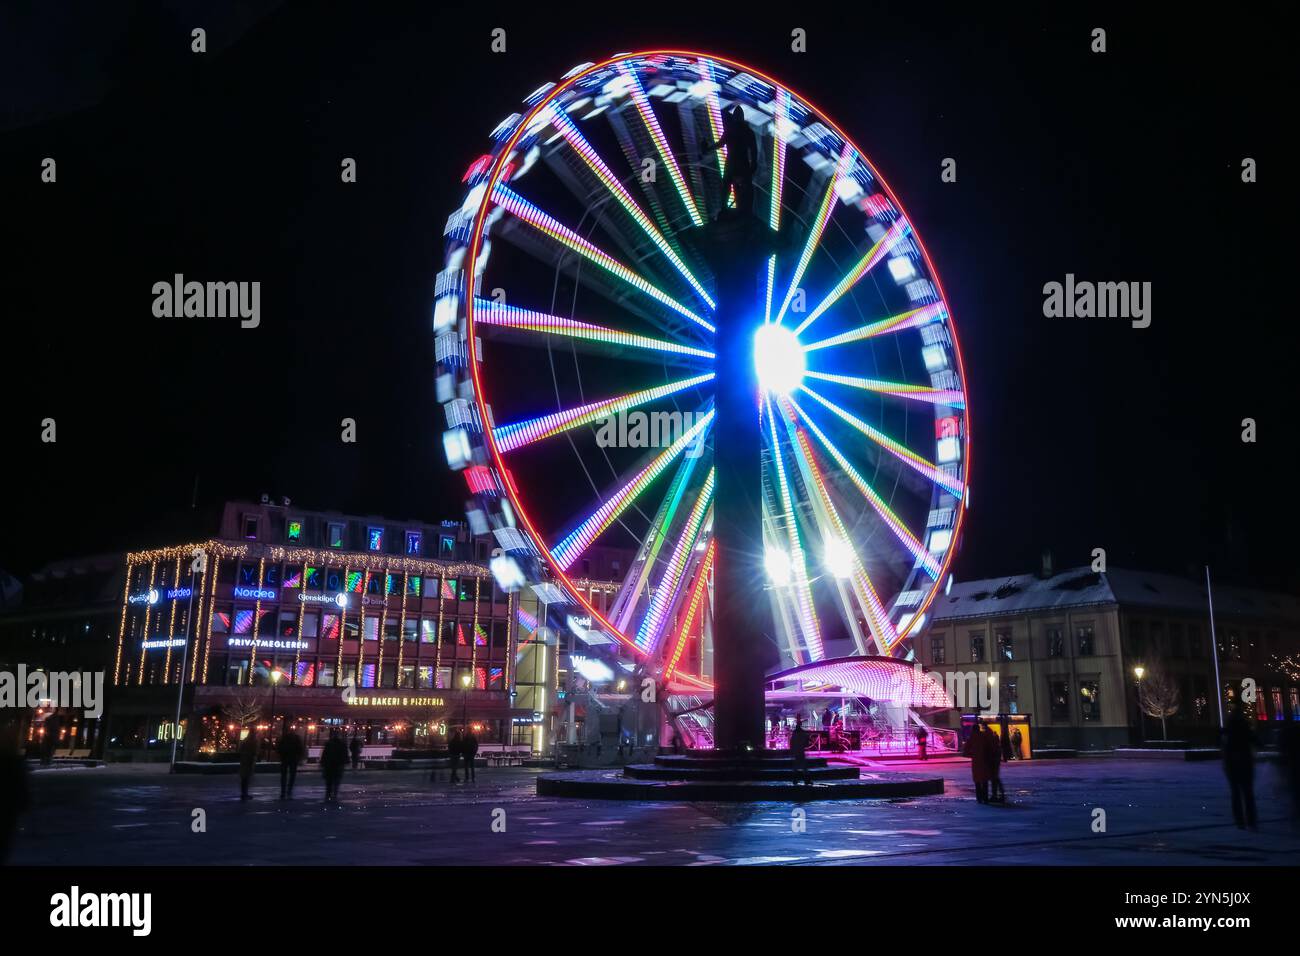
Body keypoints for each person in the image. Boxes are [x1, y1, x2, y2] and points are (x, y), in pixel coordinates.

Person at [702, 104, 758, 217]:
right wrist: (753, 164)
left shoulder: (730, 130)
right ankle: (745, 210)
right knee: (746, 188)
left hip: (731, 163)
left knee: (726, 186)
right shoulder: (748, 131)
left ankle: (724, 208)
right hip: (743, 164)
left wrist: (707, 149)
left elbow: (720, 144)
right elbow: (754, 150)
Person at [1222, 703, 1257, 829]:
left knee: (1236, 793)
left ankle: (1240, 821)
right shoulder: (1244, 725)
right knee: (1247, 793)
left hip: (1233, 765)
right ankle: (1251, 820)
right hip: (1244, 763)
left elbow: (1224, 746)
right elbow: (1254, 740)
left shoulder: (1228, 728)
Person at [963, 722, 992, 803]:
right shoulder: (984, 736)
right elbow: (989, 748)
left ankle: (979, 798)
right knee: (984, 780)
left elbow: (965, 752)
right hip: (985, 761)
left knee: (977, 781)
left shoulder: (971, 738)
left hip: (976, 762)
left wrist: (973, 755)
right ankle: (985, 798)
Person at [276, 727, 305, 799]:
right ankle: (289, 790)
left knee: (284, 776)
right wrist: (299, 757)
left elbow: (279, 747)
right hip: (293, 759)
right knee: (292, 775)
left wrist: (281, 755)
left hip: (285, 758)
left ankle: (283, 791)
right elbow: (300, 748)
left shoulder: (284, 738)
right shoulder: (296, 738)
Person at [321, 729, 347, 802]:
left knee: (329, 781)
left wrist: (323, 763)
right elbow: (344, 755)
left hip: (329, 765)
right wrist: (345, 762)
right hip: (338, 765)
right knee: (336, 781)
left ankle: (328, 794)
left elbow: (325, 754)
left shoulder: (329, 744)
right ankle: (334, 794)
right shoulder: (342, 744)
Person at [789, 717, 811, 786]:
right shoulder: (803, 733)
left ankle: (795, 779)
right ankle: (806, 780)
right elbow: (806, 743)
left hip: (796, 751)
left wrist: (792, 750)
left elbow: (791, 742)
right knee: (804, 766)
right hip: (801, 751)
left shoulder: (794, 733)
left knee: (796, 766)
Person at [238, 731, 259, 800]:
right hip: (249, 761)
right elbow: (255, 752)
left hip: (244, 761)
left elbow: (240, 750)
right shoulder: (254, 742)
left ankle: (243, 793)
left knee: (244, 778)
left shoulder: (245, 740)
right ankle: (245, 794)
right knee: (246, 779)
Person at [987, 726, 1006, 803]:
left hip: (993, 763)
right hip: (994, 763)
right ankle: (1000, 794)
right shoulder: (995, 743)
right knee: (995, 779)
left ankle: (997, 795)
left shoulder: (992, 743)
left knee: (994, 779)